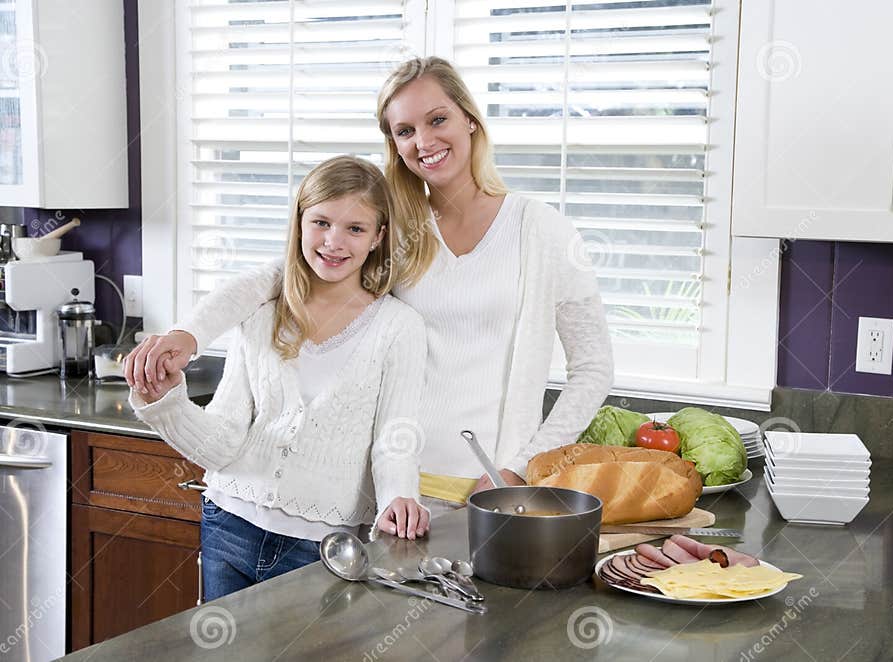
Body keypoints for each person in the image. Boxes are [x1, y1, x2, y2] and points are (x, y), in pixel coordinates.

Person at [126, 56, 613, 514]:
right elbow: (286, 272)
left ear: (469, 119)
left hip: (493, 492)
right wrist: (188, 335)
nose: (424, 141)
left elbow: (592, 370)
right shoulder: (395, 227)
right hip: (386, 492)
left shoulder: (540, 229)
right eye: (405, 130)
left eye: (437, 119)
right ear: (395, 145)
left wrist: (523, 468)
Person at [128, 156, 429, 601]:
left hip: (323, 549)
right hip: (227, 524)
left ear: (378, 238)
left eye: (355, 228)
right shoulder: (263, 312)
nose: (333, 242)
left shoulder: (398, 327)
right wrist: (168, 404)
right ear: (300, 222)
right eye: (321, 222)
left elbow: (395, 435)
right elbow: (225, 442)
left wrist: (399, 497)